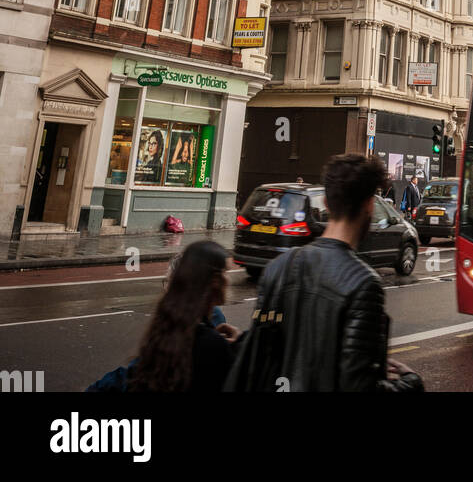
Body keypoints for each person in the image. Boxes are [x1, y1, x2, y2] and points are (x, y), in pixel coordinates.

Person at [224, 155, 422, 393]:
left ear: (327, 203)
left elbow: (266, 347)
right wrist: (410, 383)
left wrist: (244, 339)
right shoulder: (364, 284)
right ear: (369, 205)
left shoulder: (279, 266)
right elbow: (358, 386)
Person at [128, 241, 240, 392]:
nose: (228, 280)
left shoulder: (165, 328)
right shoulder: (213, 343)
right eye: (225, 272)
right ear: (214, 280)